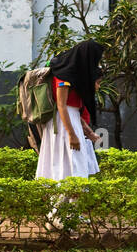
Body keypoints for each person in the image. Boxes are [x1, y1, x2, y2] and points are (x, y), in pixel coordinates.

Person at [36, 39, 105, 181]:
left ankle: (71, 201)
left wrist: (88, 132)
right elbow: (62, 106)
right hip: (62, 125)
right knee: (64, 165)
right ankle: (60, 201)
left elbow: (73, 110)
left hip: (71, 121)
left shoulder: (74, 75)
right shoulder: (64, 74)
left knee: (74, 164)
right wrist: (71, 134)